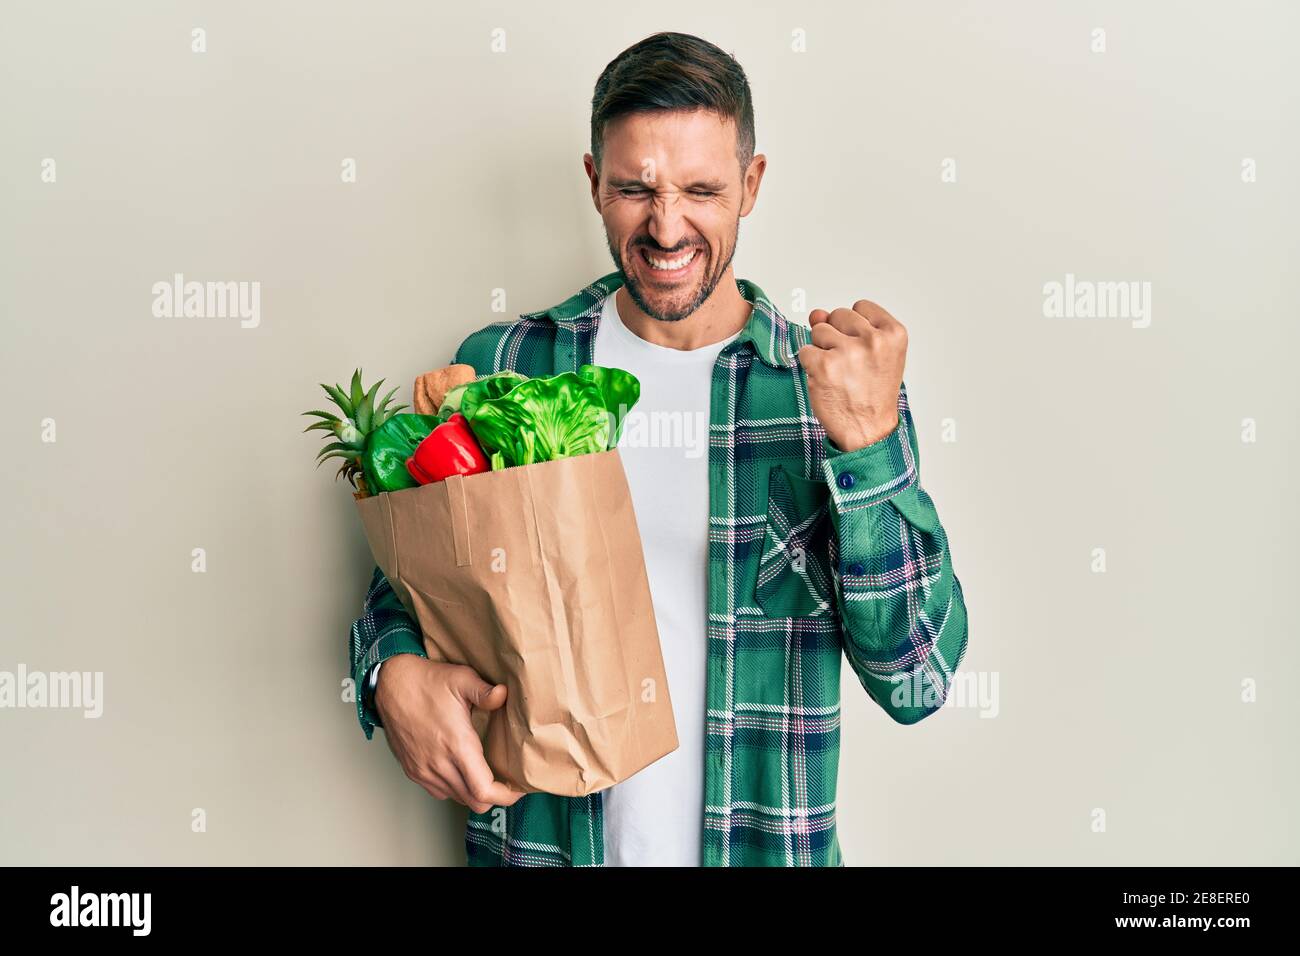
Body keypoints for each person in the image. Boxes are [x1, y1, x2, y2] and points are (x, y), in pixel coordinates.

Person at [348, 31, 968, 867]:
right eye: (635, 188)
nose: (666, 226)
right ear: (594, 183)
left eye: (703, 189)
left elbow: (916, 680)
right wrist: (391, 679)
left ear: (751, 185)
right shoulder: (506, 367)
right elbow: (414, 587)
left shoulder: (829, 392)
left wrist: (871, 444)